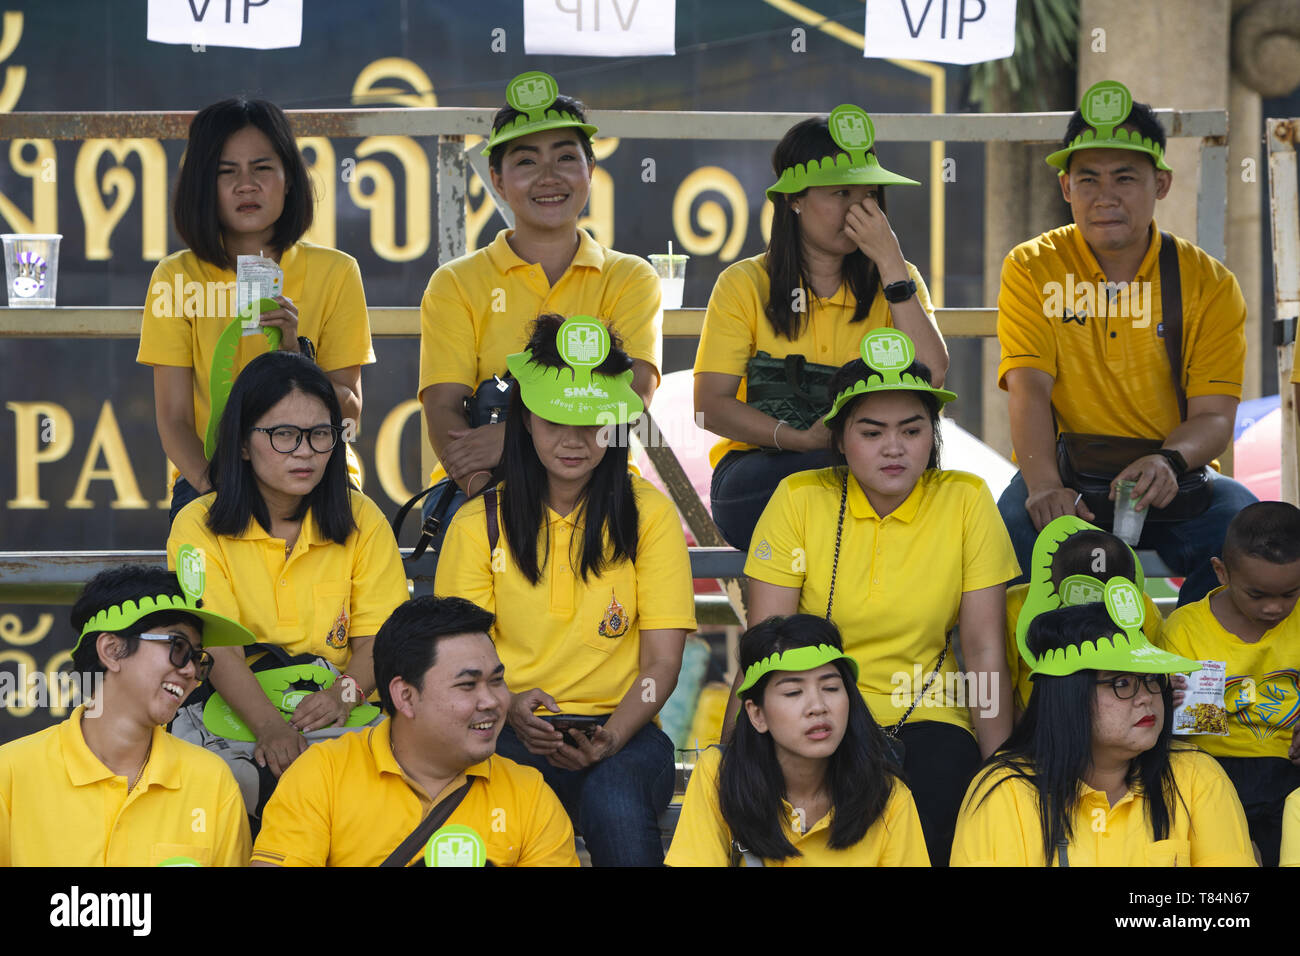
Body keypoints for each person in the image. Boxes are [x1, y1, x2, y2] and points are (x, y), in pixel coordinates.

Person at [737, 327, 1018, 865]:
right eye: (872, 432)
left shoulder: (967, 499)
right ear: (839, 439)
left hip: (931, 717)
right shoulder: (800, 499)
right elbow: (764, 649)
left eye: (912, 430)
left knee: (945, 799)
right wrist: (738, 751)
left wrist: (999, 769)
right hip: (818, 715)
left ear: (932, 436)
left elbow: (984, 652)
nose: (894, 447)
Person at [436, 314, 695, 866]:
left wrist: (613, 736)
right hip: (501, 728)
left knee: (616, 799)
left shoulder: (649, 515)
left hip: (623, 728)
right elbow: (457, 662)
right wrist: (506, 706)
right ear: (525, 421)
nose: (574, 441)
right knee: (507, 813)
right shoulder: (478, 523)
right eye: (555, 420)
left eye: (593, 421)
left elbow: (661, 667)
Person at [995, 79, 1256, 607]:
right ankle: (1049, 682)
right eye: (1087, 178)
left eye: (1125, 177)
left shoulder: (1209, 283)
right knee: (1007, 535)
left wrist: (1167, 462)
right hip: (1072, 473)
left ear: (1161, 183)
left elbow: (1213, 419)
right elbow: (1029, 390)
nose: (1105, 196)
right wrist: (1045, 486)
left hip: (1174, 481)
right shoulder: (1032, 267)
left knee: (1247, 534)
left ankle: (1185, 668)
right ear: (1065, 187)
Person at [418, 70, 661, 542]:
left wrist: (513, 442)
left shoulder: (630, 278)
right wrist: (486, 494)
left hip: (598, 482)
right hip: (483, 488)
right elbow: (443, 409)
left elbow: (635, 395)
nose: (549, 178)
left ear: (591, 171)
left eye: (566, 158)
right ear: (497, 179)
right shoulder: (456, 283)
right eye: (526, 162)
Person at [167, 351, 409, 817]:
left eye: (320, 434)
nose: (304, 451)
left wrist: (345, 694)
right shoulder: (197, 524)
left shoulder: (362, 518)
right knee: (225, 788)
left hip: (341, 706)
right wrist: (270, 730)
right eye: (283, 435)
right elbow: (217, 648)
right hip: (232, 709)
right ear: (241, 444)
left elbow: (382, 640)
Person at [694, 103, 946, 550]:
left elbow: (933, 374)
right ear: (794, 199)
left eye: (867, 196)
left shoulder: (899, 279)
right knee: (821, 482)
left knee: (903, 482)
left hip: (870, 470)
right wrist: (797, 438)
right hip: (764, 470)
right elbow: (709, 406)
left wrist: (890, 264)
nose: (857, 210)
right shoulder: (744, 284)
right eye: (839, 194)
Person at [140, 96, 375, 523]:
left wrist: (294, 357)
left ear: (289, 180)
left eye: (262, 168)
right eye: (226, 171)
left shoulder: (337, 271)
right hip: (212, 477)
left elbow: (349, 414)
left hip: (317, 473)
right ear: (202, 186)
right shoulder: (175, 276)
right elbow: (174, 420)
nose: (245, 185)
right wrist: (218, 488)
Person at [251, 596, 578, 867]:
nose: (492, 701)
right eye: (467, 685)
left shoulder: (528, 793)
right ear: (405, 696)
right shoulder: (322, 773)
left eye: (496, 681)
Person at [952, 579, 1255, 866]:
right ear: (1068, 695)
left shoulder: (1197, 776)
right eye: (1121, 683)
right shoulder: (1004, 791)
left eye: (1151, 679)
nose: (1146, 697)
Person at [0, 564, 253, 866]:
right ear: (111, 649)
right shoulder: (11, 773)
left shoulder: (211, 781)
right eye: (177, 646)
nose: (190, 671)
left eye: (198, 657)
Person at [666, 615, 929, 866]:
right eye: (793, 692)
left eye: (831, 688)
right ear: (757, 714)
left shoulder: (888, 796)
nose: (818, 706)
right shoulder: (720, 774)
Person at [1156, 501, 1300, 866]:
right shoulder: (1186, 628)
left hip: (1289, 765)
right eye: (1258, 595)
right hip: (1208, 764)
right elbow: (1181, 729)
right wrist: (1166, 700)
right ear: (1222, 573)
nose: (1274, 608)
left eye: (1289, 594)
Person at [1004, 515, 1162, 715]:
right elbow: (996, 694)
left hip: (1120, 727)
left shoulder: (1142, 608)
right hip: (1039, 730)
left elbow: (1150, 679)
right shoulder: (1013, 607)